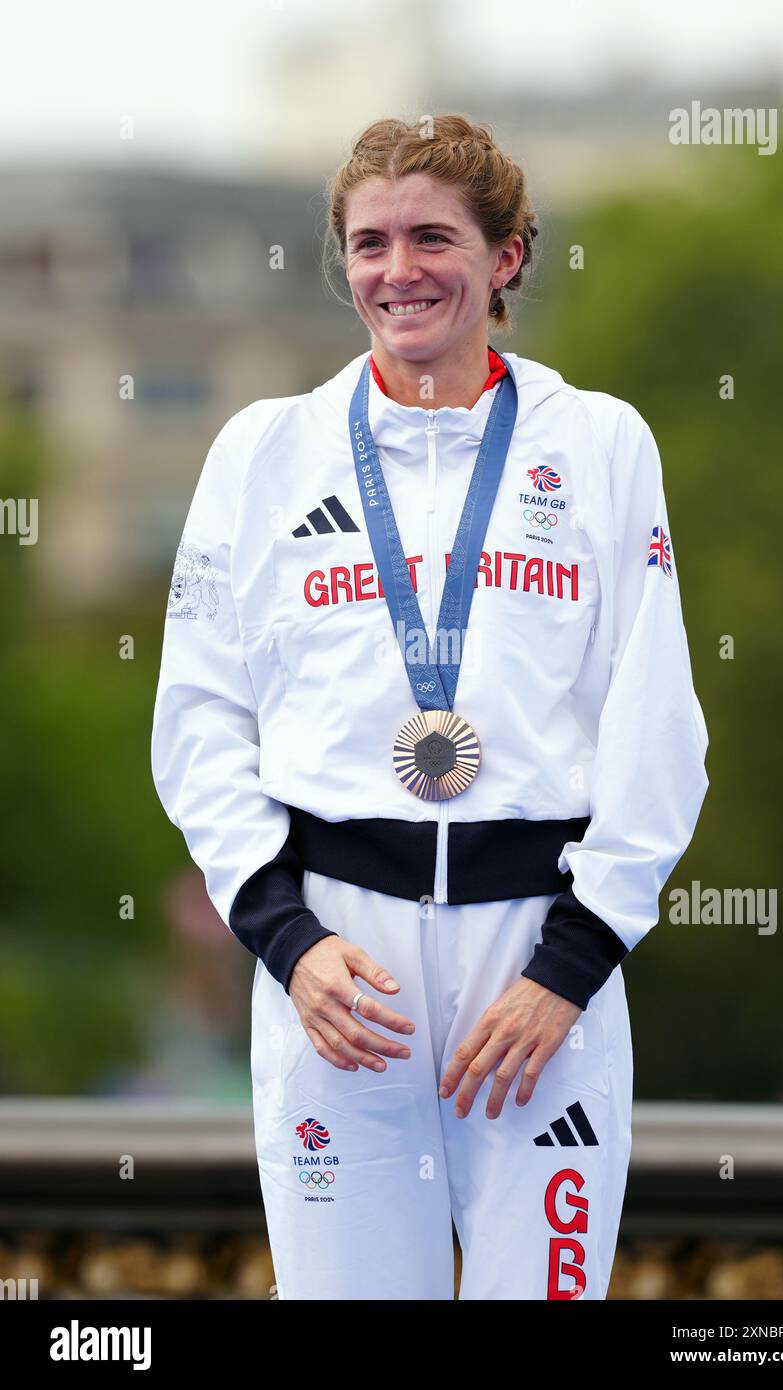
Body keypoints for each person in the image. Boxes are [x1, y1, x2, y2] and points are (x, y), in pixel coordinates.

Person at [150, 113, 709, 1301]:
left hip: (539, 961)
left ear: (506, 257)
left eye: (433, 237)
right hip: (339, 967)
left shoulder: (600, 443)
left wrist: (575, 961)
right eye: (369, 242)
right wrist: (287, 943)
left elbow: (658, 727)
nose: (398, 271)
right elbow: (199, 721)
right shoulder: (265, 452)